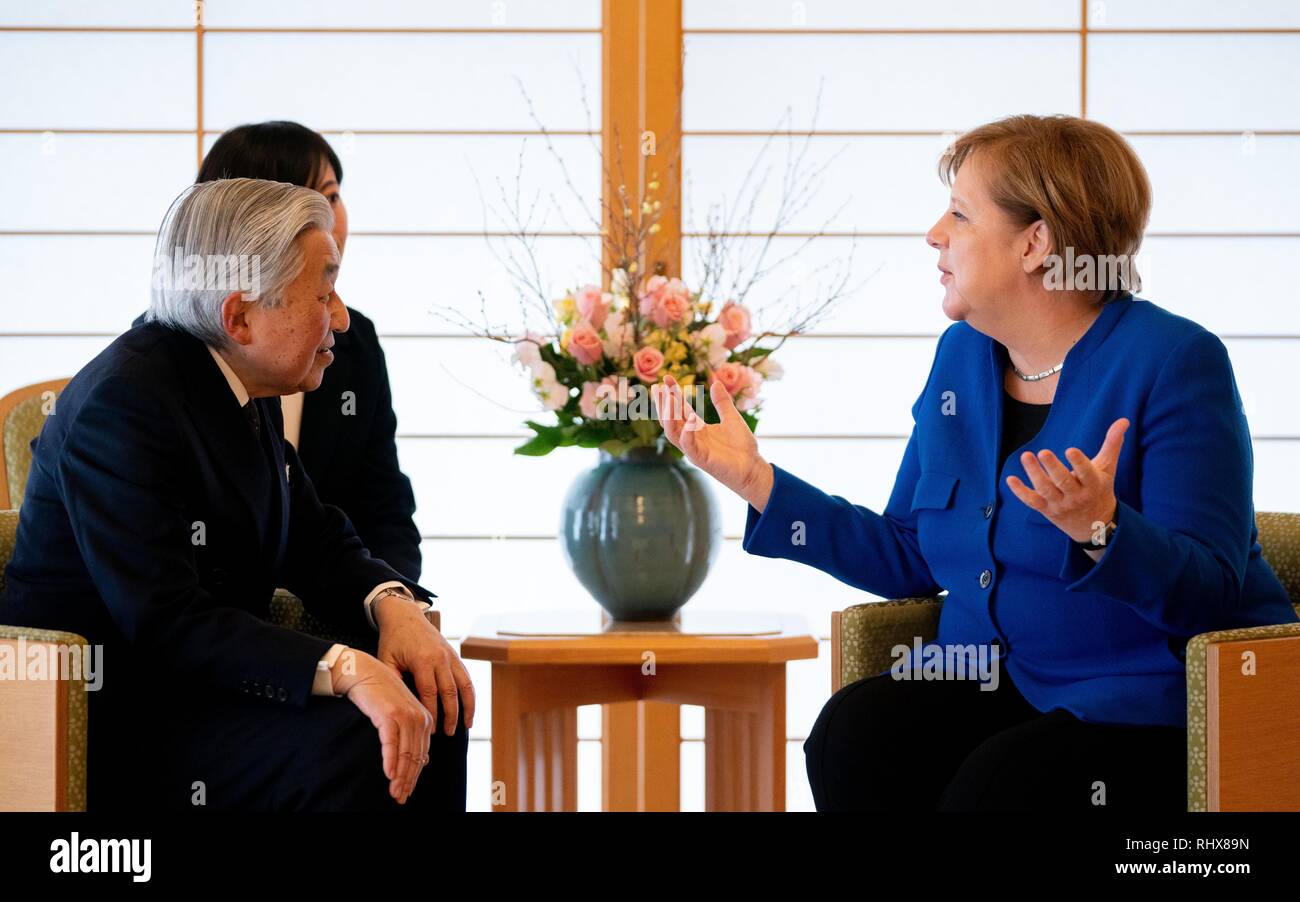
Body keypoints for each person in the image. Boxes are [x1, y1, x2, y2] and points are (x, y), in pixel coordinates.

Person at [653, 114, 1298, 812]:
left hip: (1148, 712)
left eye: (960, 214)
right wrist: (760, 483)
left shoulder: (1175, 362)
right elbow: (911, 554)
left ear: (1036, 242)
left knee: (1000, 784)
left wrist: (1102, 529)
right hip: (994, 684)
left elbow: (1209, 594)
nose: (934, 234)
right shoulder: (961, 358)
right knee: (853, 733)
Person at [1, 178, 472, 811]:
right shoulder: (122, 404)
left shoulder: (240, 382)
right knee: (362, 744)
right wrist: (348, 668)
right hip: (115, 720)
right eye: (325, 291)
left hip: (212, 694)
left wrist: (395, 606)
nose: (341, 317)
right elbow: (166, 619)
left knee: (434, 713)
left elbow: (316, 537)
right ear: (239, 315)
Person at [195, 121, 421, 580]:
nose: (332, 220)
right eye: (314, 201)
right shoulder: (178, 351)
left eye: (334, 197)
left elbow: (385, 509)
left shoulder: (354, 342)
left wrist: (395, 600)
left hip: (337, 599)